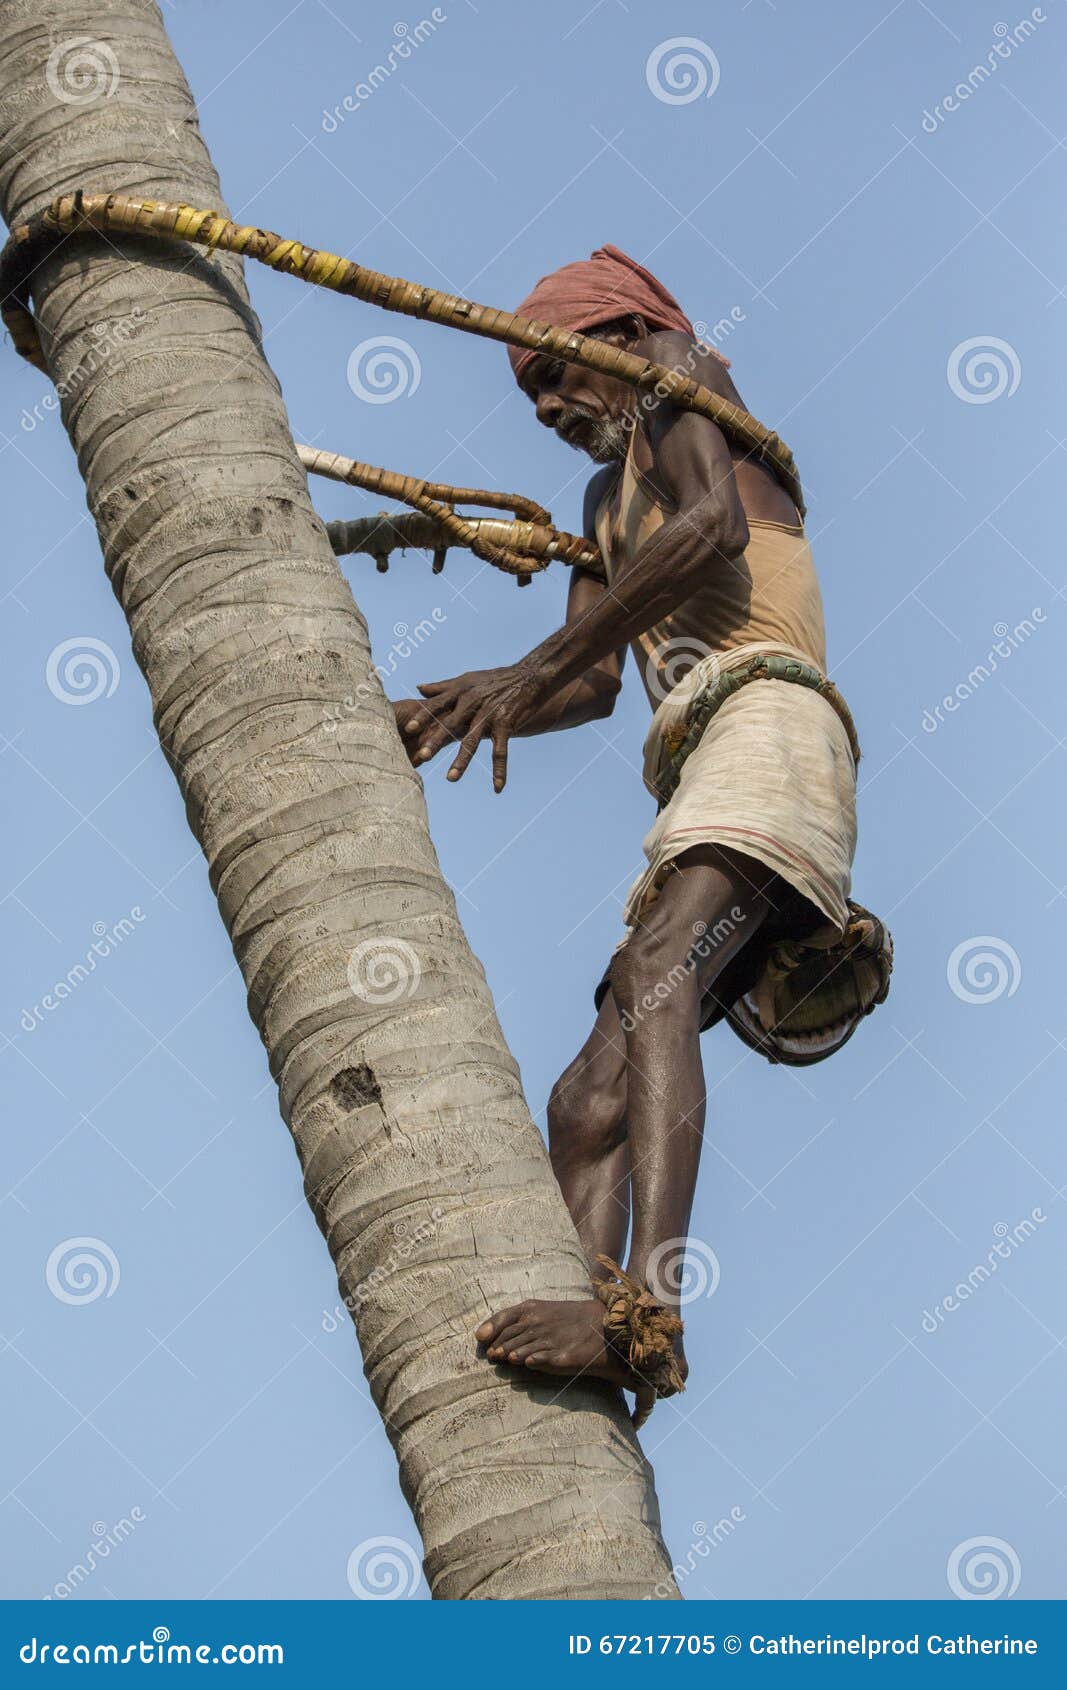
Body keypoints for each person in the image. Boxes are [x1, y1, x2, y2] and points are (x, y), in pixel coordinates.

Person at [394, 245, 888, 1424]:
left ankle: (647, 1314)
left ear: (615, 332)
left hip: (766, 720)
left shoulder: (678, 370)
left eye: (553, 375)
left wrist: (526, 668)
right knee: (583, 1099)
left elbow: (713, 528)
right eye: (526, 396)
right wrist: (437, 711)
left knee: (657, 976)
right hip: (696, 762)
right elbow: (596, 685)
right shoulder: (597, 500)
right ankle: (595, 1318)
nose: (548, 406)